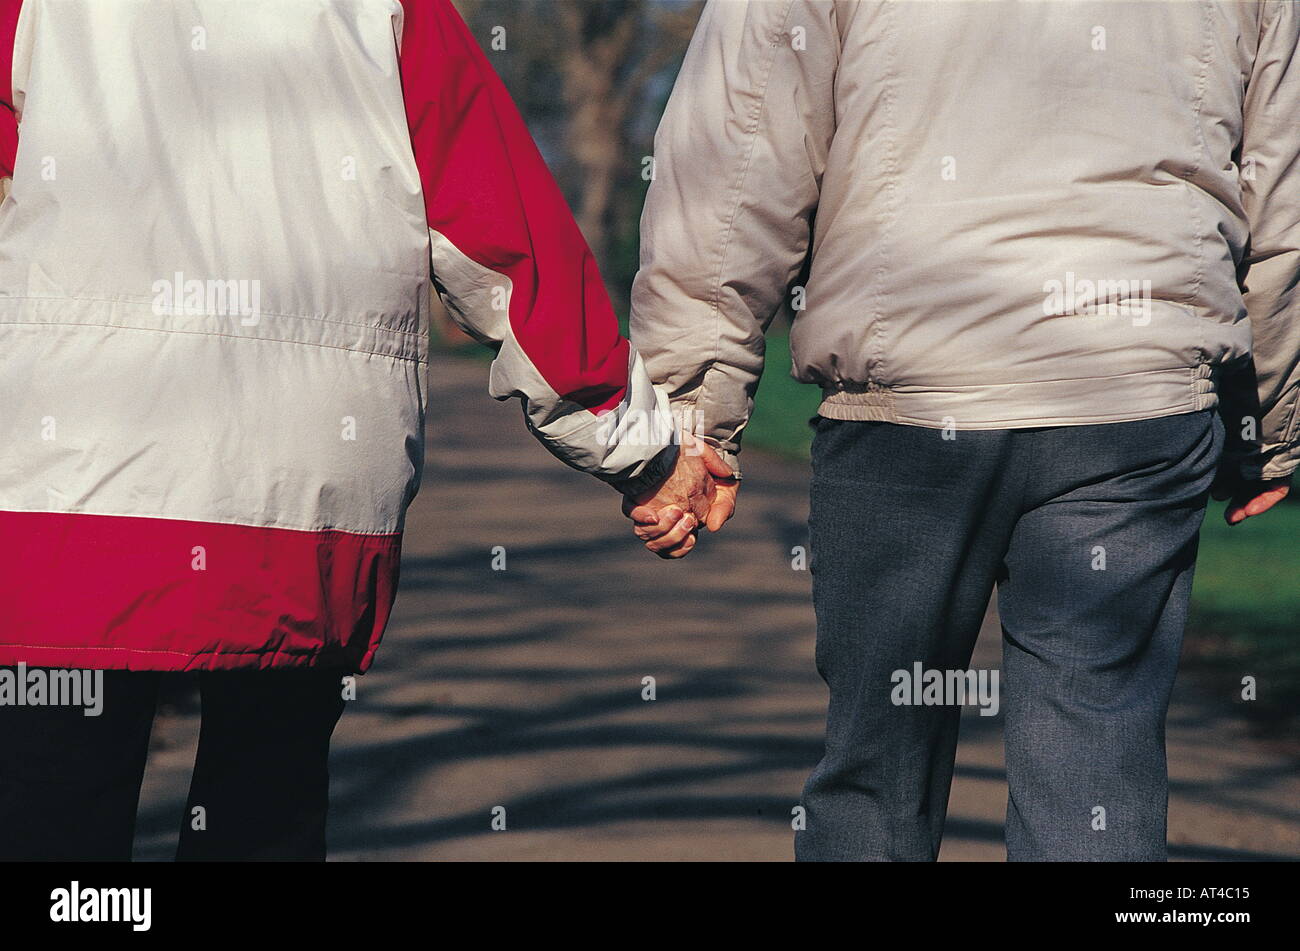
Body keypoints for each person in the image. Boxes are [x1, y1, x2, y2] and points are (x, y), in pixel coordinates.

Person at [0, 0, 718, 861]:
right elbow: (502, 235)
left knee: (52, 822)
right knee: (264, 808)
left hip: (66, 475)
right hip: (303, 484)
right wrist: (643, 449)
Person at [628, 0, 1299, 860]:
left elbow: (738, 149)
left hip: (906, 396)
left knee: (876, 775)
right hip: (1131, 399)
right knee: (1095, 770)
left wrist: (691, 415)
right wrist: (1268, 423)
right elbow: (1281, 192)